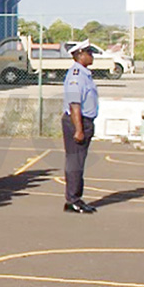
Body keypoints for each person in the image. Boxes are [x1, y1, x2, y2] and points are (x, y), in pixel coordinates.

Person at [62, 40, 99, 214]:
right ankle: (72, 200)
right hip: (78, 121)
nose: (91, 56)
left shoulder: (85, 74)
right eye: (89, 53)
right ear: (80, 55)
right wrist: (78, 129)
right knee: (75, 162)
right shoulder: (76, 76)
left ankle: (76, 197)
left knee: (79, 161)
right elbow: (74, 104)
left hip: (84, 121)